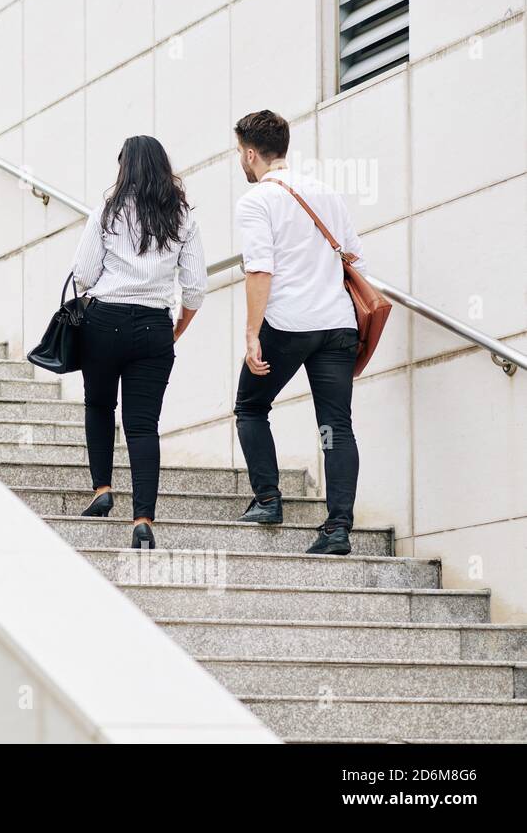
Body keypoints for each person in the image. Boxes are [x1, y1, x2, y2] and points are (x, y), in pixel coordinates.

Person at [231, 110, 366, 555]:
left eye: (239, 153)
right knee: (336, 426)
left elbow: (259, 270)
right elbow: (353, 256)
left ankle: (268, 499)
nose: (240, 161)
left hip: (289, 324)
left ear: (251, 153)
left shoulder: (256, 201)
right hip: (338, 325)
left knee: (251, 407)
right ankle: (338, 528)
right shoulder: (326, 192)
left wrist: (253, 334)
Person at [71, 135, 206, 550]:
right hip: (154, 327)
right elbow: (196, 287)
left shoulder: (106, 214)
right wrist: (176, 328)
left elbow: (83, 273)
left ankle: (102, 489)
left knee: (99, 404)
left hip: (104, 320)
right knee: (144, 425)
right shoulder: (183, 219)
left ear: (125, 168)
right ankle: (143, 519)